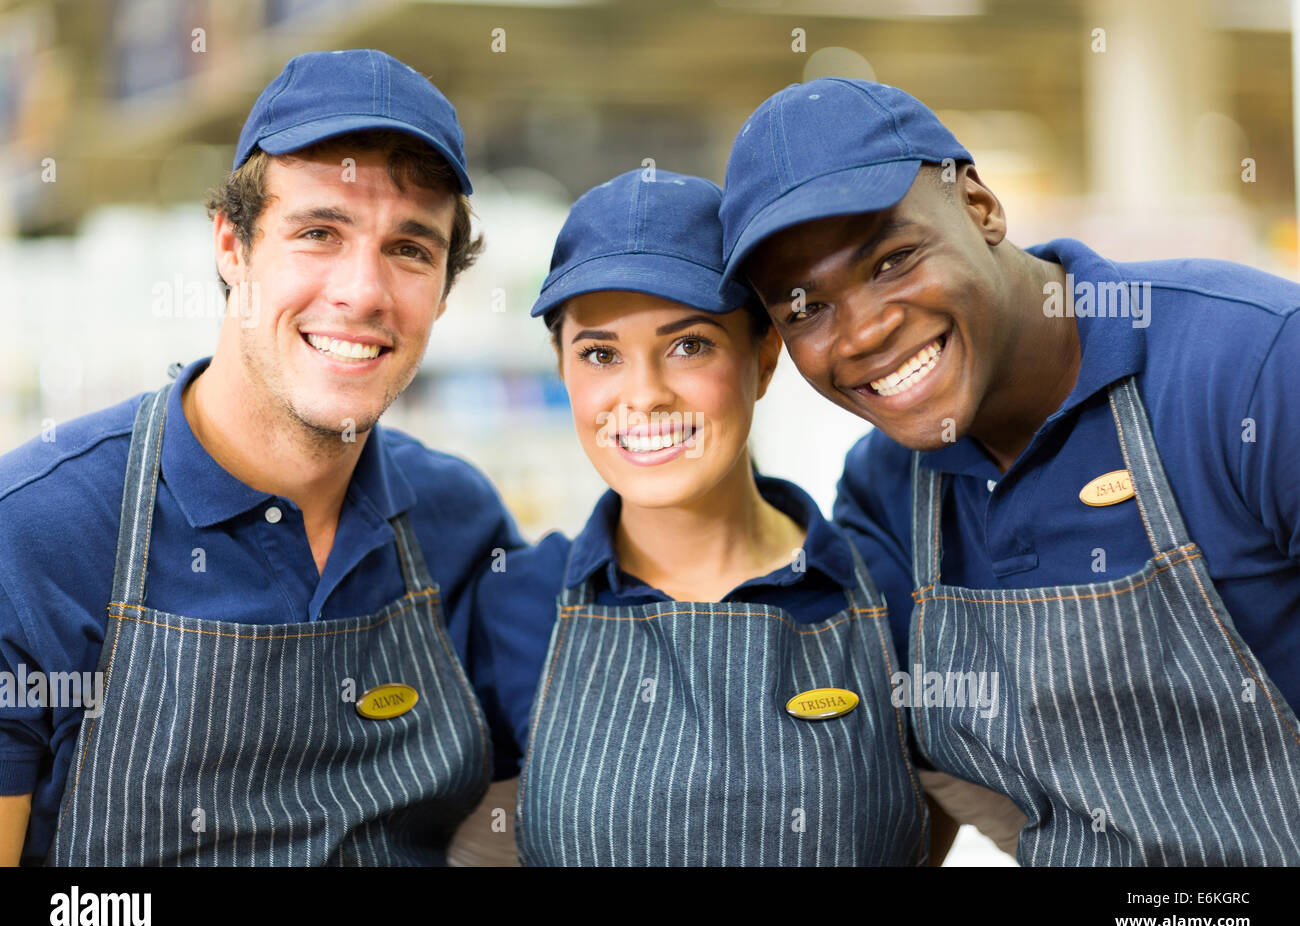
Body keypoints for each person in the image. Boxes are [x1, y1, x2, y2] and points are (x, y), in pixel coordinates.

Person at [717, 76, 1300, 865]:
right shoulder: (889, 495)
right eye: (805, 309)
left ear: (981, 208)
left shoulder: (1251, 367)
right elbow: (892, 789)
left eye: (891, 261)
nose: (862, 334)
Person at [0, 49, 522, 866]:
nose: (364, 291)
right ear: (232, 248)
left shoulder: (461, 524)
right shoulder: (33, 536)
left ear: (445, 291)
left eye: (411, 249)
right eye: (319, 232)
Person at [473, 168, 933, 867]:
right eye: (600, 354)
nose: (645, 395)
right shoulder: (515, 603)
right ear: (562, 368)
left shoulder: (889, 596)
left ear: (766, 356)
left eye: (690, 345)